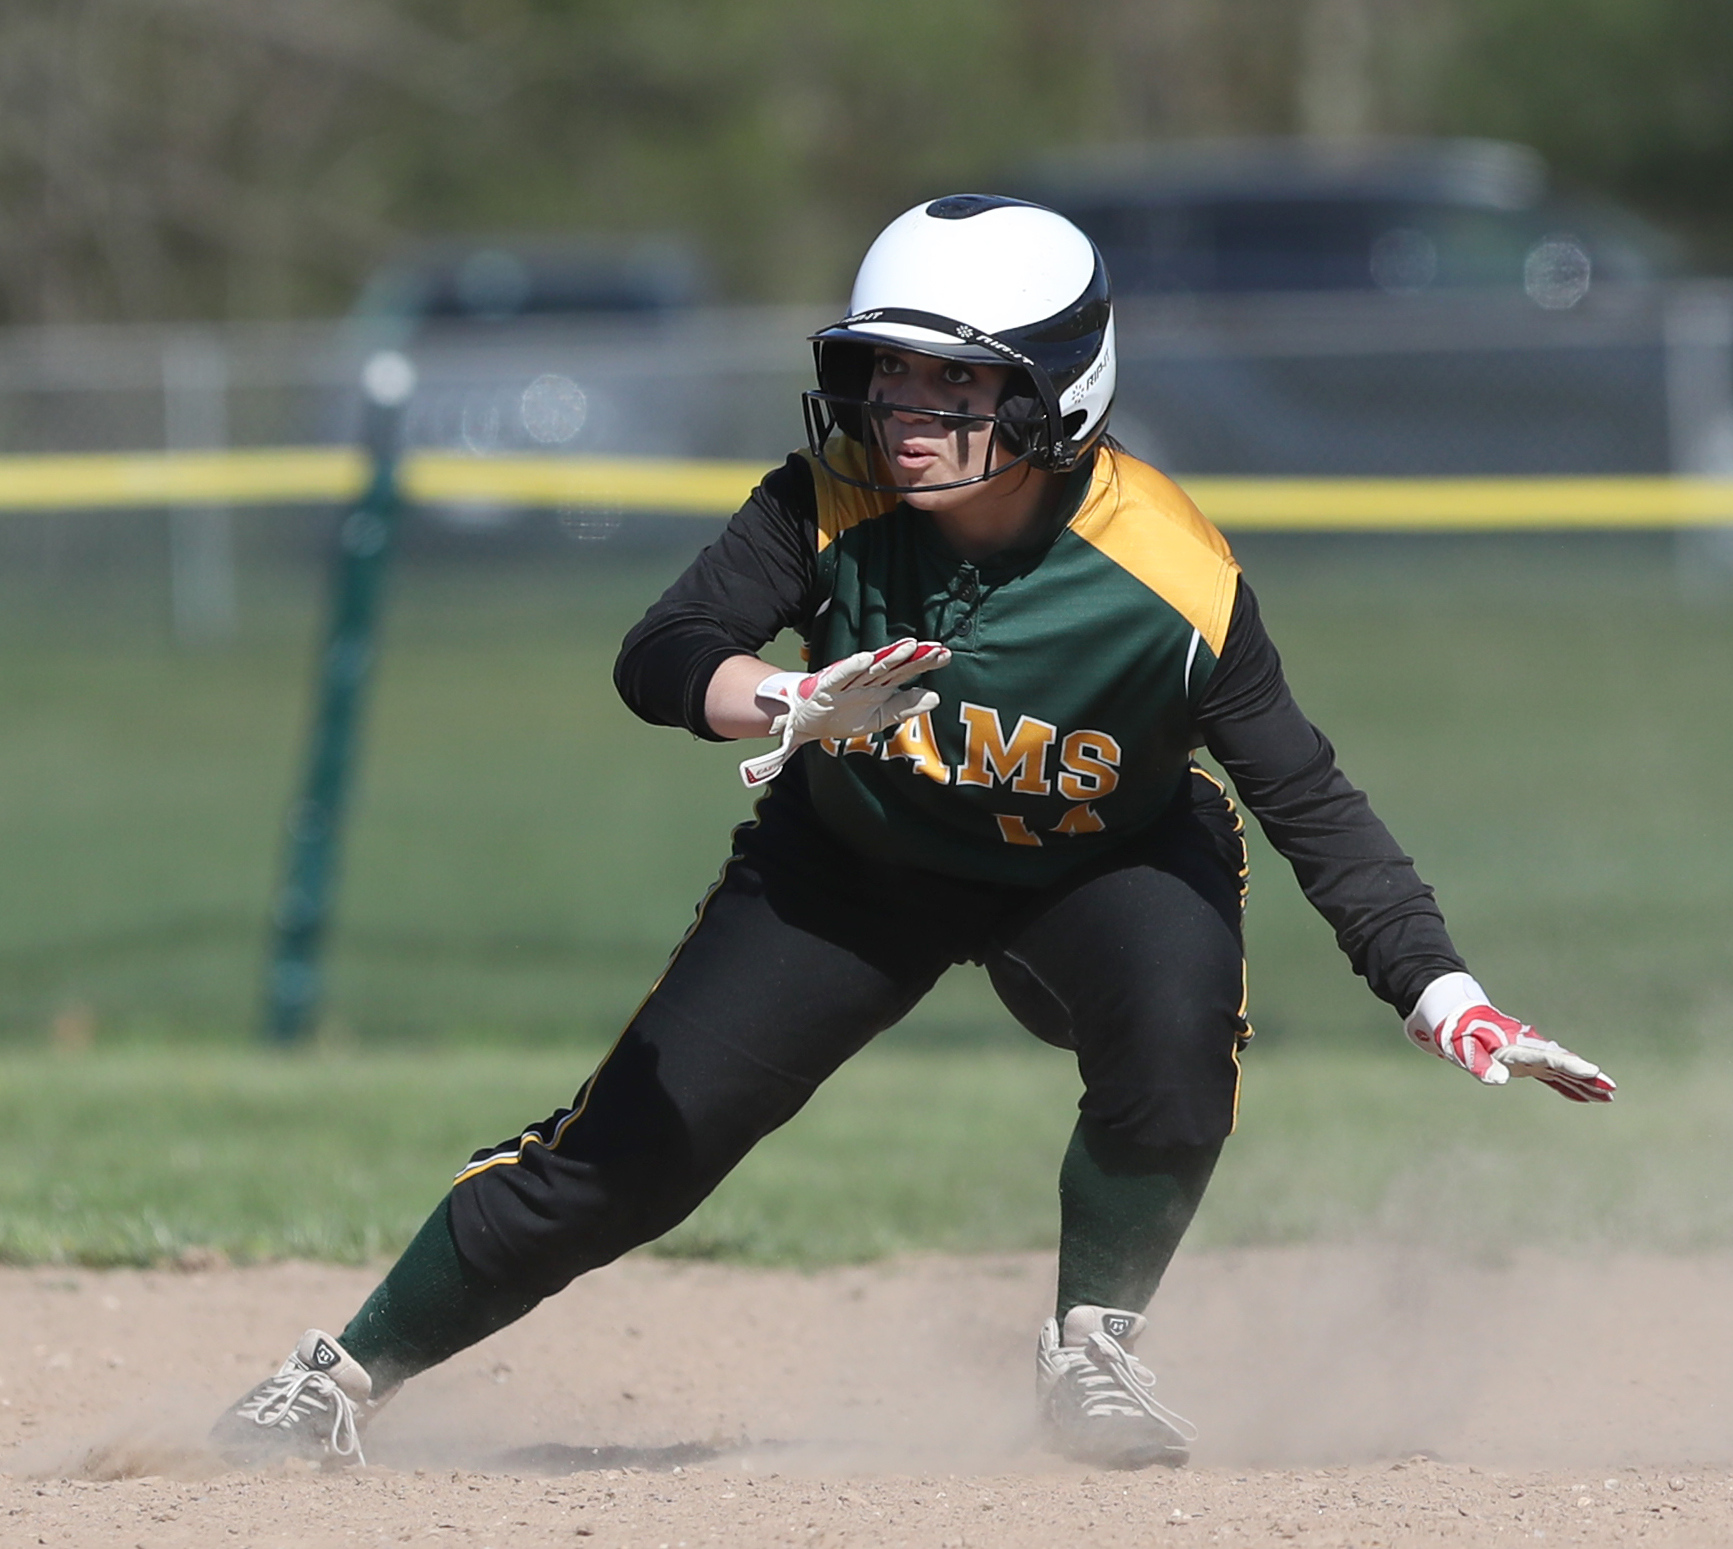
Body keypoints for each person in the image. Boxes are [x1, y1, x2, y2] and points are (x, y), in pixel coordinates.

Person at [211, 195, 1614, 1473]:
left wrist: (1444, 991)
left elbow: (1309, 798)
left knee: (1177, 1021)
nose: (906, 408)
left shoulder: (1171, 575)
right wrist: (785, 696)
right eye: (891, 369)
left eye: (958, 378)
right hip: (855, 869)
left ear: (1058, 391)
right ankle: (335, 1375)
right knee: (638, 1147)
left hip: (1097, 862)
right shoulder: (827, 501)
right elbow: (664, 650)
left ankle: (1094, 1348)